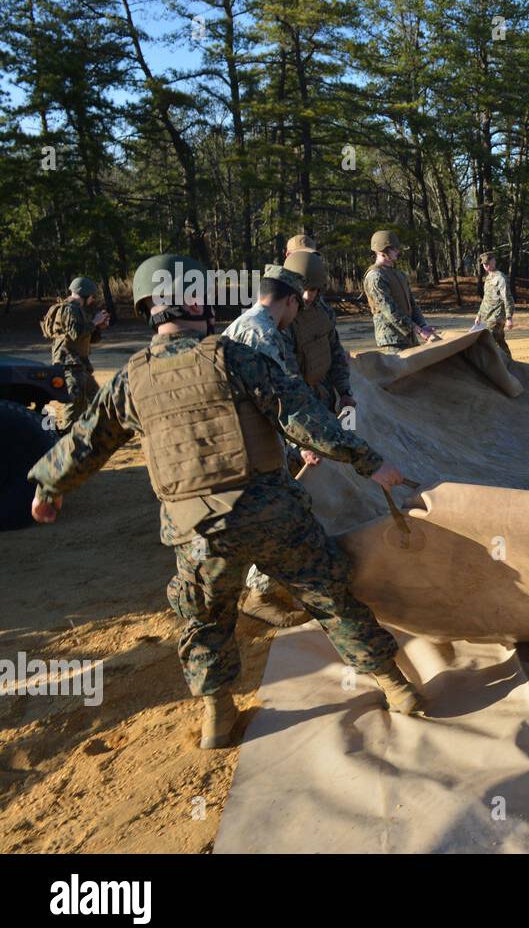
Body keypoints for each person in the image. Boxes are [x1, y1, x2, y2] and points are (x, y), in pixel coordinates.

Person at [28, 253, 426, 750]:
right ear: (197, 302)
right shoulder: (235, 357)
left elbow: (85, 442)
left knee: (205, 619)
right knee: (331, 596)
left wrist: (49, 488)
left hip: (197, 531)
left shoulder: (131, 380)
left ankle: (217, 714)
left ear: (148, 307)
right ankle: (394, 685)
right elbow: (304, 419)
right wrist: (372, 463)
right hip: (273, 516)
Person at [222, 264, 321, 627]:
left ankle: (262, 587)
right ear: (291, 300)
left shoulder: (243, 324)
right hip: (255, 445)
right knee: (282, 514)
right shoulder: (260, 334)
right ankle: (259, 594)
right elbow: (276, 402)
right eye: (298, 309)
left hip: (245, 439)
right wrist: (301, 444)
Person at [284, 249, 355, 413]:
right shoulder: (283, 319)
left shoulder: (324, 313)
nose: (308, 296)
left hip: (325, 397)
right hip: (300, 404)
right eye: (304, 289)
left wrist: (345, 392)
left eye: (314, 290)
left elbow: (335, 351)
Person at [41, 277, 110, 434]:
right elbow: (75, 334)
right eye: (92, 296)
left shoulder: (77, 310)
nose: (93, 300)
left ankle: (93, 434)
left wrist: (99, 326)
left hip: (79, 365)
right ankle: (65, 439)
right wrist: (94, 322)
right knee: (74, 406)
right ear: (84, 294)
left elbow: (87, 338)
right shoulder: (69, 309)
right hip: (70, 365)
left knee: (96, 401)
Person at [362, 229, 438, 352]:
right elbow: (390, 311)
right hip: (392, 340)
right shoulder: (375, 277)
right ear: (382, 251)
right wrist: (418, 329)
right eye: (393, 248)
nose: (398, 251)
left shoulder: (398, 274)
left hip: (409, 338)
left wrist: (423, 325)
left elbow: (411, 304)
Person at [476, 252, 514, 357]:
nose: (486, 266)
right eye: (484, 264)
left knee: (487, 342)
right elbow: (486, 299)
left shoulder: (500, 278)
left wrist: (509, 318)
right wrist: (479, 315)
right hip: (488, 316)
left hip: (497, 317)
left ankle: (494, 368)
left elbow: (507, 298)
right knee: (499, 341)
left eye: (488, 263)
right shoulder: (488, 278)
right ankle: (509, 364)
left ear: (494, 261)